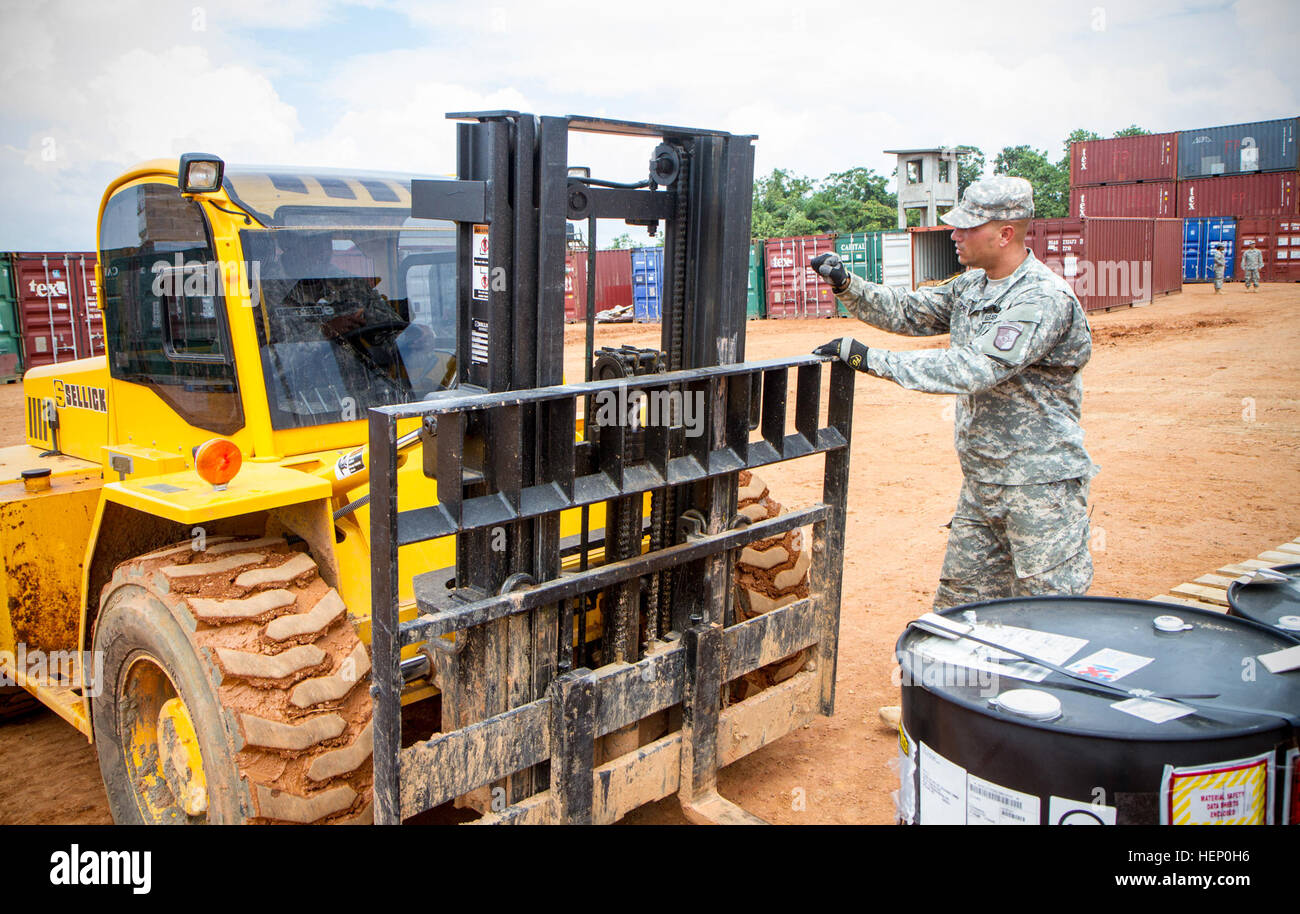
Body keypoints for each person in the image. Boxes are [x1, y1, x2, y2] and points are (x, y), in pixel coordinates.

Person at [810, 177, 1097, 730]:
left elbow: (975, 368)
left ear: (1006, 232)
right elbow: (911, 311)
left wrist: (871, 360)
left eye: (967, 226)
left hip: (1041, 486)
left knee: (1050, 610)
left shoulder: (1041, 298)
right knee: (961, 606)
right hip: (985, 483)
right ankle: (939, 711)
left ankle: (1059, 728)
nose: (954, 233)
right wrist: (848, 284)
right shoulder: (974, 286)